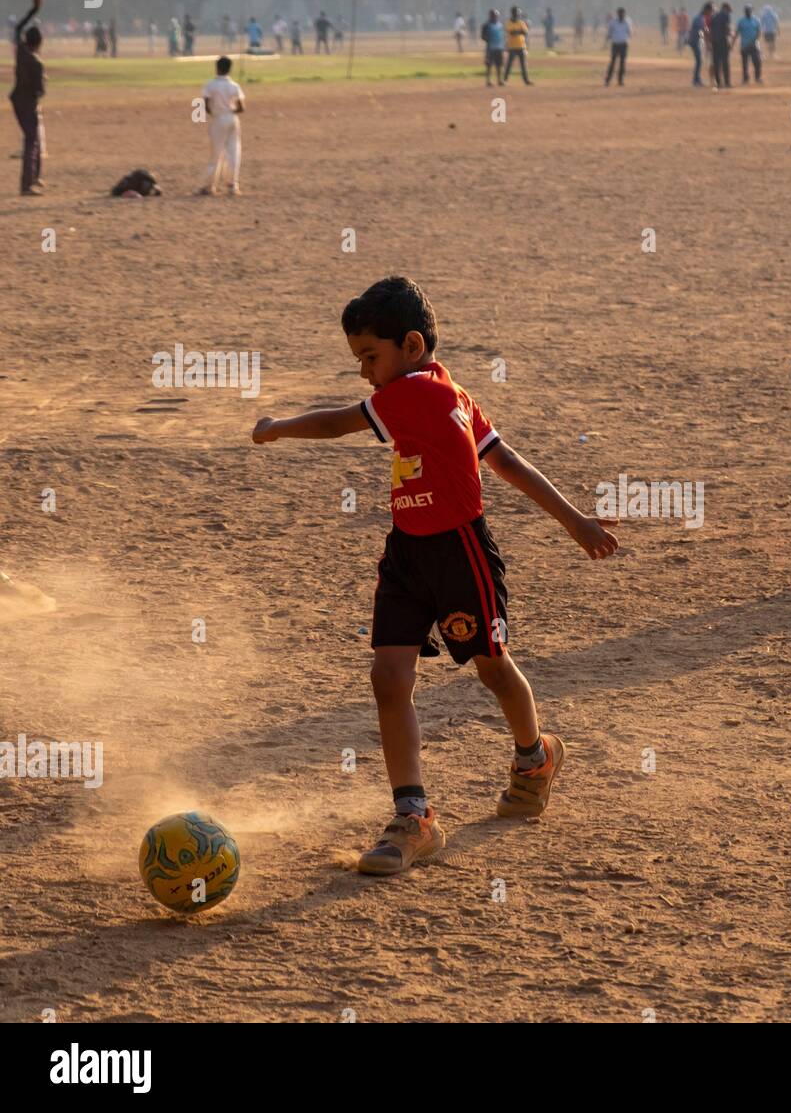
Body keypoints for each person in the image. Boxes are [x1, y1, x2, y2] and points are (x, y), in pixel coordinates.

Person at [250, 277, 619, 875]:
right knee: (389, 677)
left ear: (413, 346)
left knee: (494, 670)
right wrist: (573, 520)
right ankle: (414, 815)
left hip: (459, 553)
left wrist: (277, 426)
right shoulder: (447, 392)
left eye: (370, 356)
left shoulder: (417, 391)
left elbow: (339, 423)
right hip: (406, 553)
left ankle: (535, 756)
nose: (366, 372)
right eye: (359, 360)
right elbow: (507, 461)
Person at [10, 0, 45, 196]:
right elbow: (40, 90)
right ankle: (26, 185)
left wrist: (33, 10)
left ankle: (35, 177)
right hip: (28, 103)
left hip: (17, 99)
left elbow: (17, 29)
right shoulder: (37, 63)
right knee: (31, 139)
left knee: (34, 138)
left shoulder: (21, 53)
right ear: (38, 43)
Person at [197, 55, 245, 197]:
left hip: (218, 119)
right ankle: (233, 185)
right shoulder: (234, 85)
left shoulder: (210, 84)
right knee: (234, 151)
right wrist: (230, 110)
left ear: (217, 68)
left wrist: (214, 113)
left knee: (216, 154)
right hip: (233, 118)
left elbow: (204, 105)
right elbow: (241, 108)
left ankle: (210, 185)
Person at [504, 7, 532, 84]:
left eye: (519, 13)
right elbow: (511, 32)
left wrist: (517, 31)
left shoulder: (521, 22)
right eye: (517, 13)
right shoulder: (508, 22)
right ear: (513, 13)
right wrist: (519, 31)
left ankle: (526, 80)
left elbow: (525, 32)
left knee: (523, 65)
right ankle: (505, 80)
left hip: (521, 46)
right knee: (509, 64)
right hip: (512, 47)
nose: (518, 14)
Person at [709, 2, 733, 89]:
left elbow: (710, 30)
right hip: (723, 40)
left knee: (716, 62)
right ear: (726, 8)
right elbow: (727, 28)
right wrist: (729, 40)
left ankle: (718, 83)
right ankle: (727, 82)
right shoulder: (725, 15)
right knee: (725, 62)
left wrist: (711, 42)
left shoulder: (714, 16)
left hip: (715, 41)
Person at [737, 5, 762, 84]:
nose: (748, 12)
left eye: (749, 10)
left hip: (754, 45)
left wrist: (754, 40)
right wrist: (732, 43)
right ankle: (745, 79)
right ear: (744, 12)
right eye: (746, 10)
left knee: (757, 62)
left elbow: (759, 32)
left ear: (752, 11)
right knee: (745, 64)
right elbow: (737, 33)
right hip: (744, 46)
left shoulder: (756, 20)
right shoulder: (741, 21)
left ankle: (757, 78)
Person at [689, 3, 712, 87]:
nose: (711, 13)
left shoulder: (700, 17)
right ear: (706, 10)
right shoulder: (699, 18)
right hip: (694, 41)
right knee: (699, 60)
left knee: (699, 60)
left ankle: (697, 79)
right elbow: (703, 29)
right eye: (710, 11)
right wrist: (709, 34)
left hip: (695, 41)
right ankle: (696, 80)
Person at [606, 7, 631, 86]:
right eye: (620, 13)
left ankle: (620, 80)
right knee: (613, 62)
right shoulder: (613, 22)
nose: (621, 15)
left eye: (623, 13)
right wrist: (609, 38)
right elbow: (609, 32)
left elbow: (629, 32)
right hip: (615, 44)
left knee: (622, 63)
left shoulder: (627, 22)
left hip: (623, 44)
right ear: (618, 14)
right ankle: (608, 80)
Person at [482, 9, 505, 86]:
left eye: (496, 15)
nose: (495, 17)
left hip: (499, 47)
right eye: (493, 15)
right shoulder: (486, 25)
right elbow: (483, 36)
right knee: (489, 64)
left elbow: (503, 35)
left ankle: (499, 80)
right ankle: (488, 81)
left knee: (499, 65)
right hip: (490, 48)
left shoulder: (500, 24)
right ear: (490, 16)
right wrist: (489, 39)